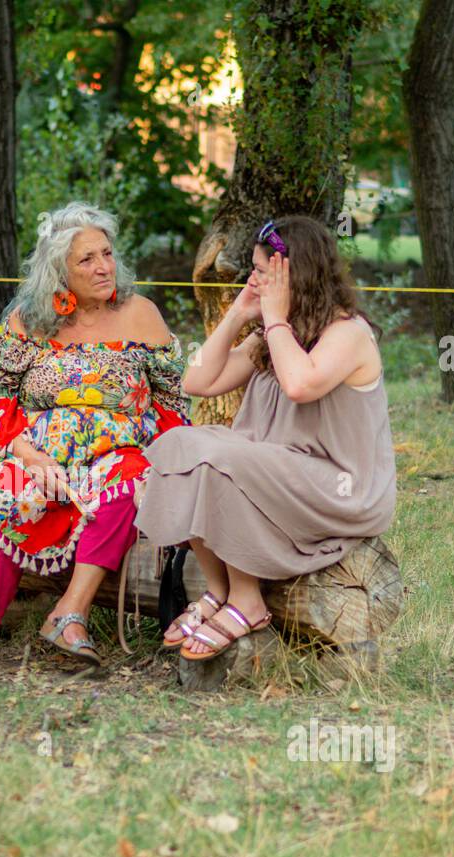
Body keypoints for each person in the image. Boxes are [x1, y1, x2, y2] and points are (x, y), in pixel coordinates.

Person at [0, 202, 190, 674]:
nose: (103, 267)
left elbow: (172, 405)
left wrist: (171, 464)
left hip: (118, 452)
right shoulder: (27, 319)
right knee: (1, 496)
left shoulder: (142, 315)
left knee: (125, 486)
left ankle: (70, 613)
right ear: (59, 272)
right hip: (38, 454)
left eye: (107, 254)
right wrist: (30, 458)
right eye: (86, 260)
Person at [134, 216, 396, 661]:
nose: (252, 280)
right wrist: (238, 312)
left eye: (261, 271)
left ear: (294, 276)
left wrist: (274, 318)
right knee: (183, 443)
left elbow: (300, 384)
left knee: (224, 458)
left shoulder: (349, 334)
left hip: (337, 485)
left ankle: (248, 600)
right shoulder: (271, 336)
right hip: (277, 470)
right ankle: (218, 591)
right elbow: (196, 381)